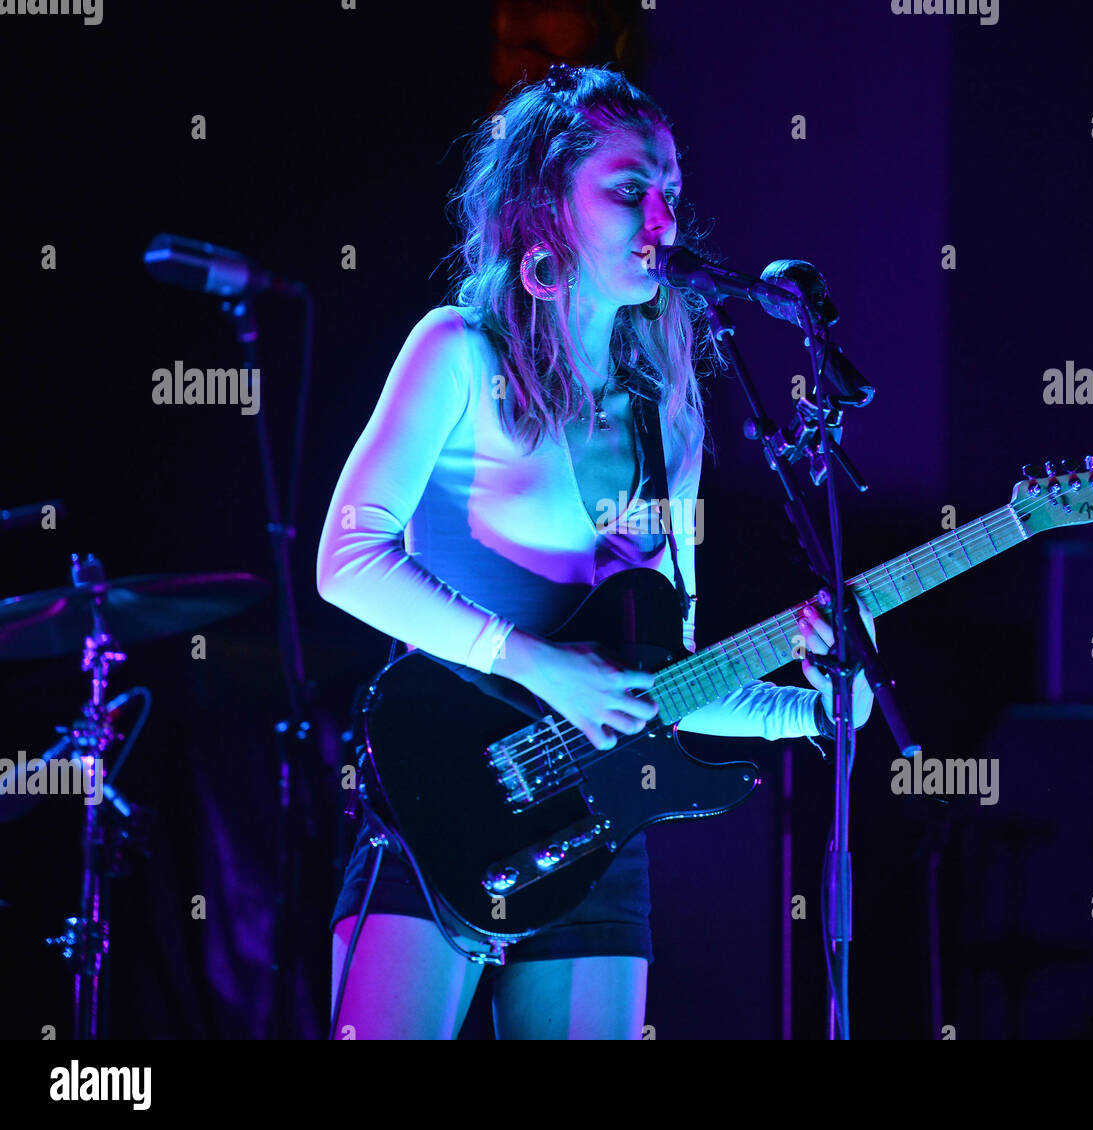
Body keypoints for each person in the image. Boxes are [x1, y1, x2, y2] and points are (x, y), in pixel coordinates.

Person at [316, 61, 876, 1040]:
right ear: (543, 209)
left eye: (668, 190)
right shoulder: (457, 349)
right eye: (627, 189)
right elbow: (346, 558)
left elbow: (665, 679)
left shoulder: (671, 412)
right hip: (436, 798)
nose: (661, 217)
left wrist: (818, 702)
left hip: (596, 832)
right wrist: (534, 662)